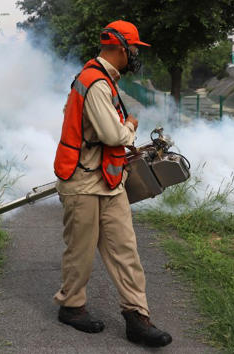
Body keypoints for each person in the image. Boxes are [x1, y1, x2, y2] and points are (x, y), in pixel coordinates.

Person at [52, 20, 172, 348]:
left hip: (109, 179)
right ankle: (71, 307)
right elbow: (112, 135)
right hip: (82, 181)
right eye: (134, 49)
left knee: (125, 249)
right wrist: (130, 125)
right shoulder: (94, 82)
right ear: (121, 48)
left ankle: (137, 317)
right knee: (80, 251)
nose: (135, 55)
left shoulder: (104, 80)